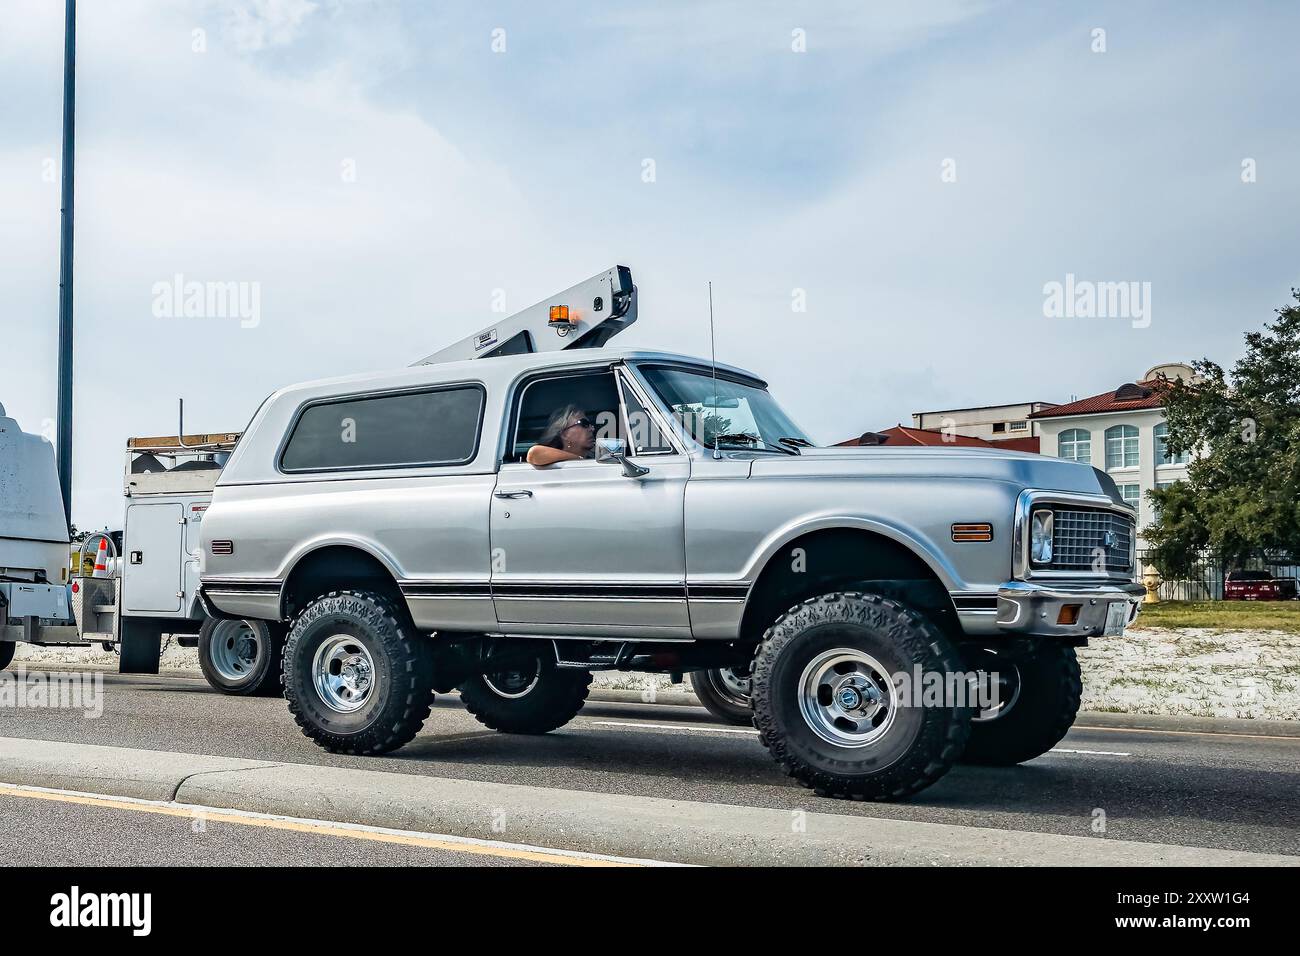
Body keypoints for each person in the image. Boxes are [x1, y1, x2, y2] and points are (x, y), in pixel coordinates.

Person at [526, 404, 597, 466]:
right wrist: (579, 460)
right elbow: (534, 454)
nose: (592, 429)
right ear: (564, 434)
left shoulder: (594, 457)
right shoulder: (555, 462)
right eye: (584, 423)